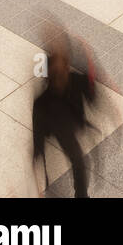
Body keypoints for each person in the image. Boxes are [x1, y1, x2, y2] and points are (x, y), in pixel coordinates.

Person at [32, 30, 99, 197]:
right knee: (78, 161)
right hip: (58, 125)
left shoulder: (77, 81)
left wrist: (90, 66)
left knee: (79, 162)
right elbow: (38, 144)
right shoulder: (42, 104)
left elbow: (92, 97)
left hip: (69, 122)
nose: (62, 72)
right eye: (57, 72)